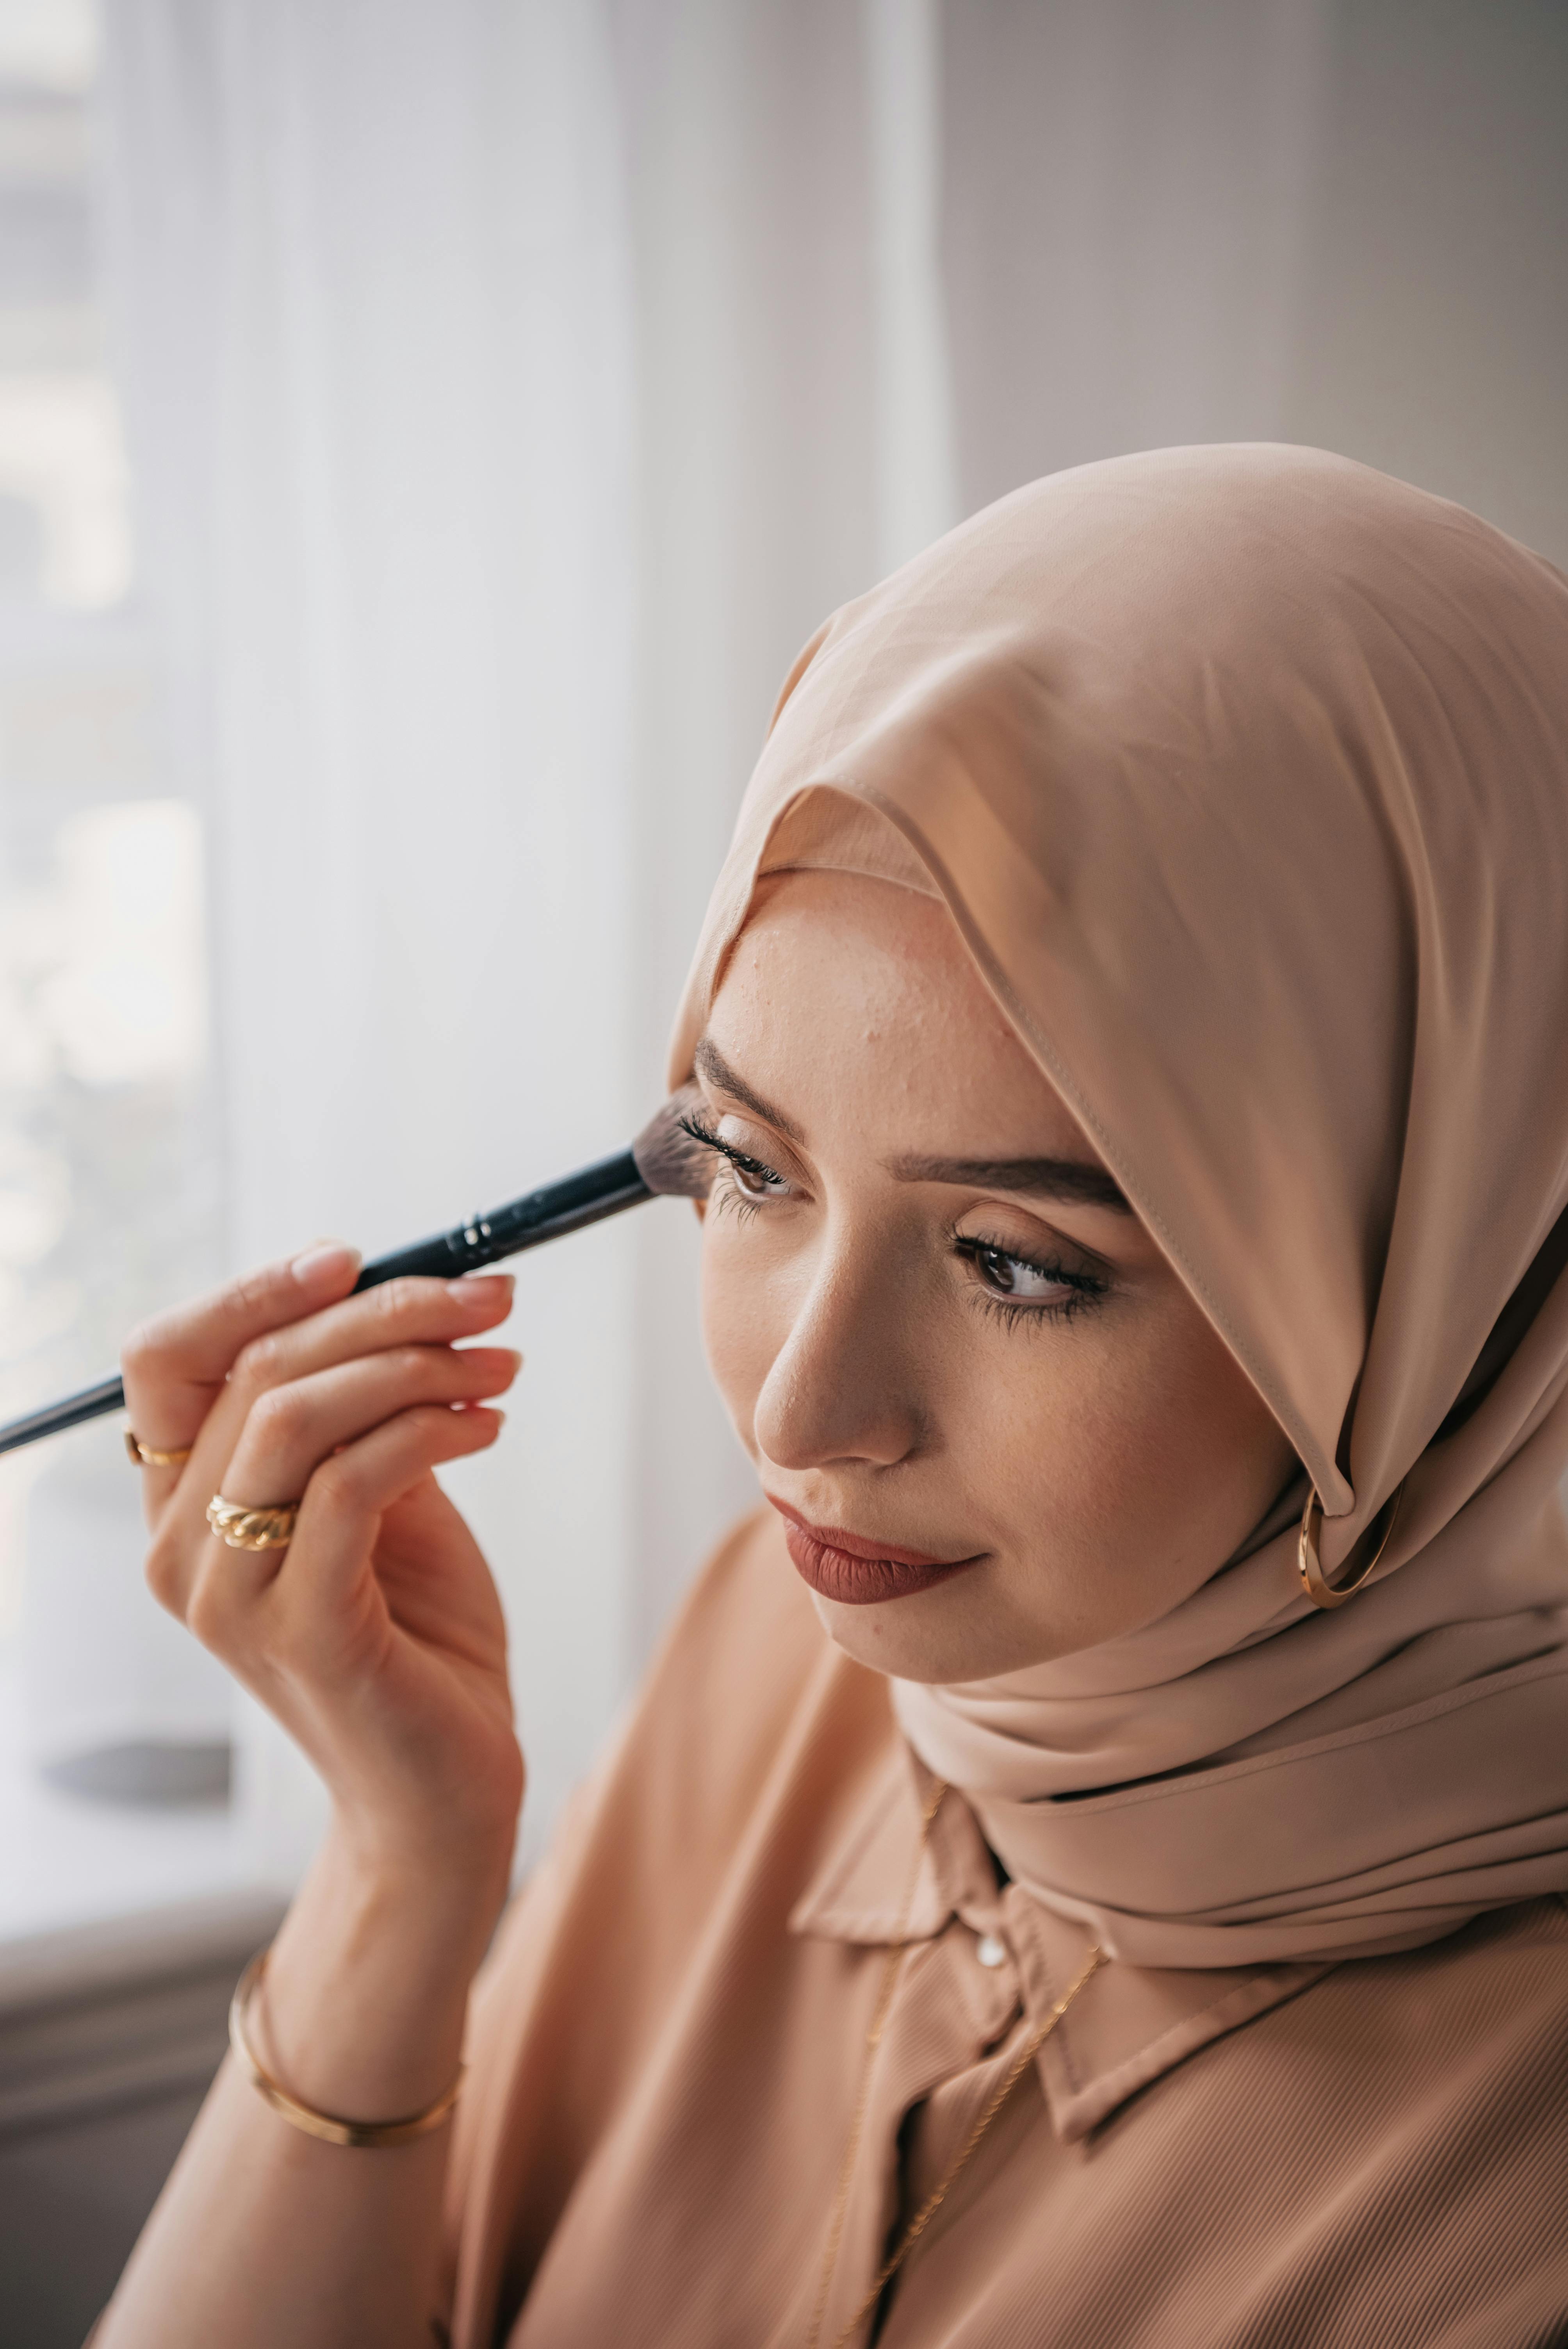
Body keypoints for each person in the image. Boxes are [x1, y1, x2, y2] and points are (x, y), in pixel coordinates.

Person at [97, 446, 1568, 2349]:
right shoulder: (788, 1663)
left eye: (1019, 1264)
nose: (798, 1418)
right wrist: (399, 1869)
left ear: (1444, 1288)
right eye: (750, 1166)